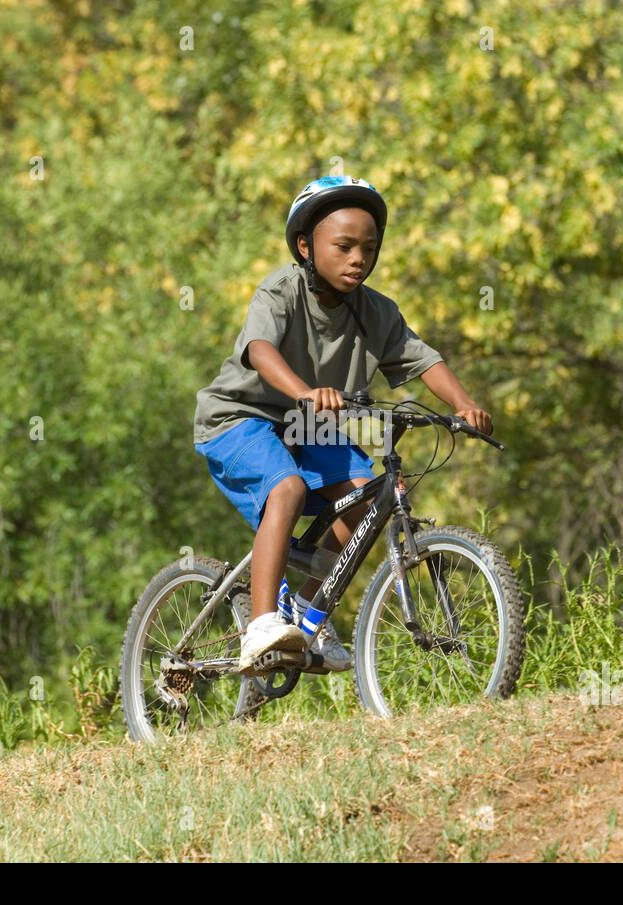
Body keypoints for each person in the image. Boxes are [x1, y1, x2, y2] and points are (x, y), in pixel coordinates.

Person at [192, 175, 493, 675]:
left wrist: (464, 404)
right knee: (285, 489)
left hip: (309, 427)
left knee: (367, 493)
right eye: (344, 246)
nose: (359, 259)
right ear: (307, 246)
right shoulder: (280, 291)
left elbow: (422, 360)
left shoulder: (375, 311)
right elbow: (260, 350)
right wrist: (305, 391)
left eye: (369, 249)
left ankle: (308, 614)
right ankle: (262, 623)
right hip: (240, 419)